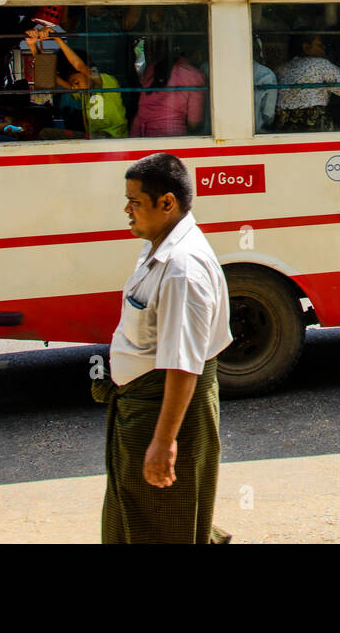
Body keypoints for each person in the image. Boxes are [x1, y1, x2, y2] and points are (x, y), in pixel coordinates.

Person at [94, 153, 233, 544]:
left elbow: (183, 364)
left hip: (162, 413)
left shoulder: (181, 270)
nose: (127, 210)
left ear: (167, 203)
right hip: (141, 409)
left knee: (162, 527)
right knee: (135, 520)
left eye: (135, 201)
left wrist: (163, 442)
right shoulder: (160, 246)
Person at [26, 28, 129, 139]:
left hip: (113, 138)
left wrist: (58, 39)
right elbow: (49, 74)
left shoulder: (105, 81)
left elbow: (79, 66)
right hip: (94, 139)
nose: (74, 87)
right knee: (45, 133)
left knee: (46, 134)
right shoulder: (83, 92)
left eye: (76, 82)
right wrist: (32, 45)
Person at [273, 29, 340, 131]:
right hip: (315, 131)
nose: (324, 48)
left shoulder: (280, 69)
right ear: (306, 48)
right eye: (319, 45)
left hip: (284, 130)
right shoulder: (320, 65)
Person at [131, 42, 207, 137]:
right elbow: (194, 124)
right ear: (198, 53)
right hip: (170, 136)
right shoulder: (195, 76)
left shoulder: (152, 68)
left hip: (138, 133)